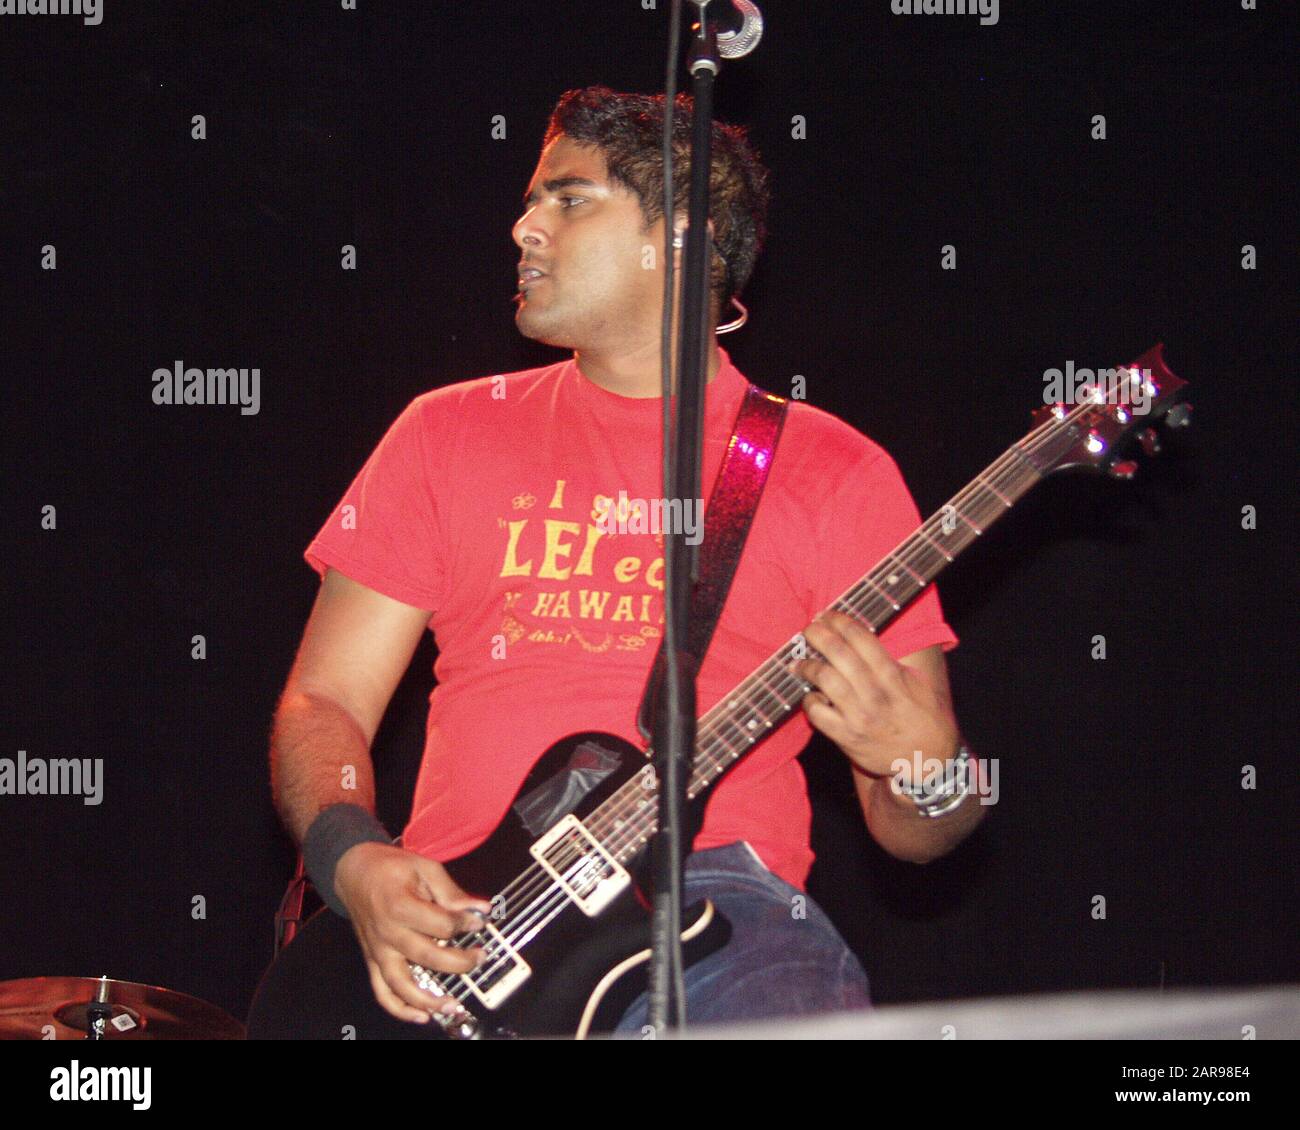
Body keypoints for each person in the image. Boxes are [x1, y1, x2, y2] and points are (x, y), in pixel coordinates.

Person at [263, 86, 986, 1038]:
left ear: (677, 238)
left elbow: (914, 831)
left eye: (567, 200)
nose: (523, 227)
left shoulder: (836, 471)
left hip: (723, 904)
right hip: (454, 918)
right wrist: (354, 858)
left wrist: (924, 771)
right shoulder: (445, 432)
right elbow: (323, 702)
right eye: (531, 202)